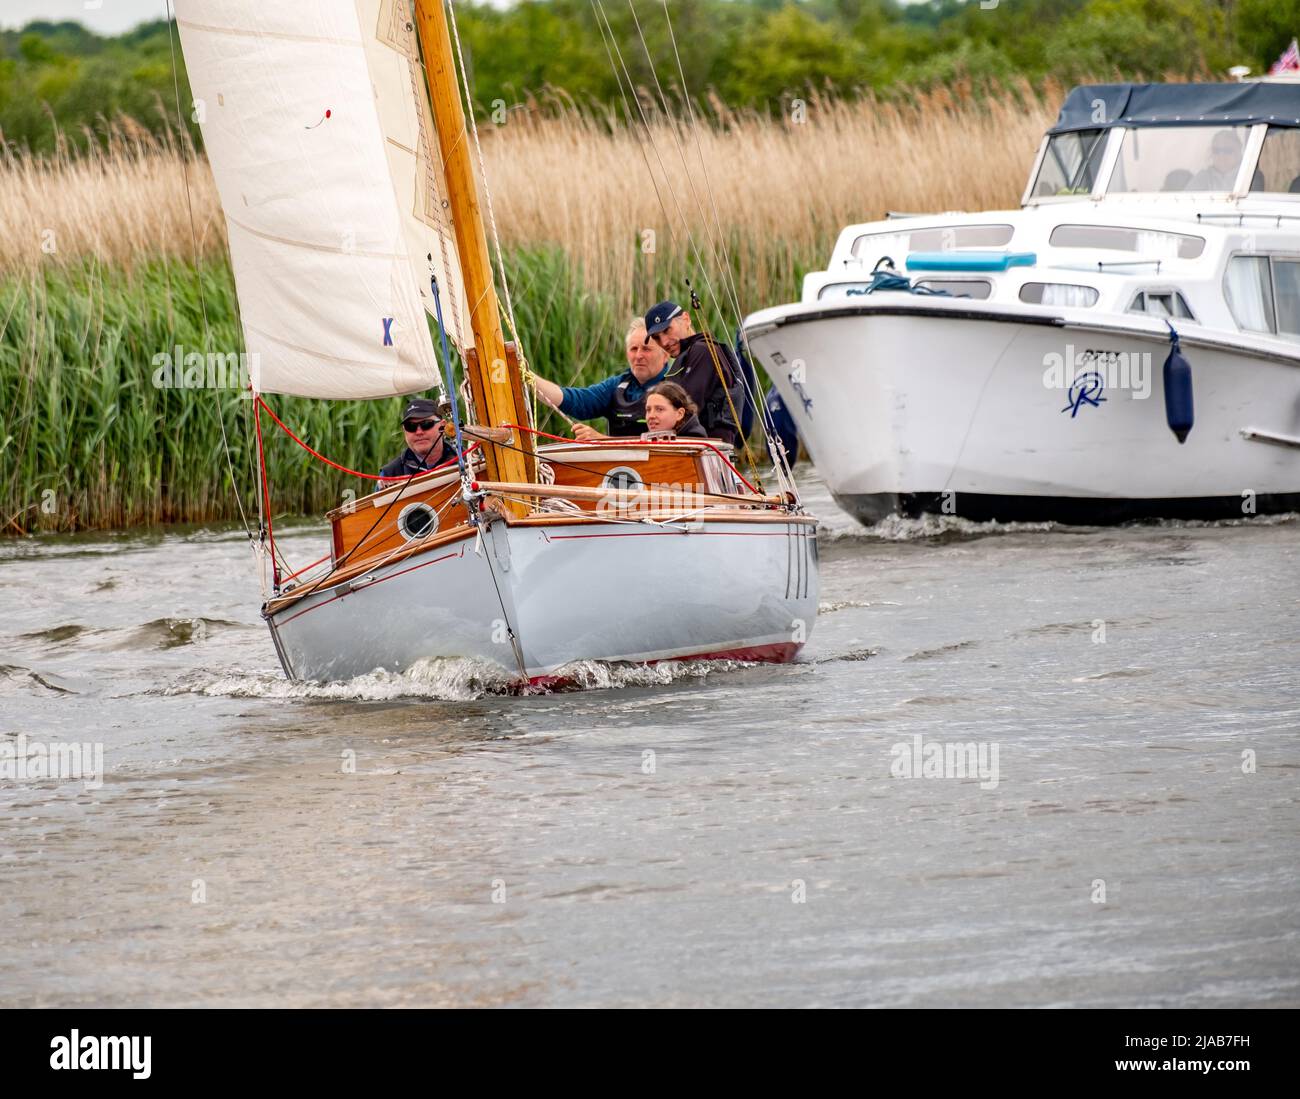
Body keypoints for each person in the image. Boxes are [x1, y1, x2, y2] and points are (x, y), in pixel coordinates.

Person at [530, 319, 670, 440]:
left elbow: (673, 443)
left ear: (665, 355)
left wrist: (602, 440)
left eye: (646, 349)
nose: (638, 355)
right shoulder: (616, 386)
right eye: (634, 349)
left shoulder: (678, 385)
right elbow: (576, 400)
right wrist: (528, 377)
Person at [643, 299, 743, 446]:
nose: (664, 342)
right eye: (656, 338)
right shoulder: (693, 353)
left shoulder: (702, 351)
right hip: (704, 451)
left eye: (667, 330)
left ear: (686, 319)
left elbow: (688, 408)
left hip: (707, 452)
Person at [377, 397, 462, 489]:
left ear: (443, 425)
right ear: (404, 431)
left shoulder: (466, 460)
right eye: (411, 426)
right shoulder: (389, 474)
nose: (419, 432)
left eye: (426, 424)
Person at [643, 382, 707, 438]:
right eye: (648, 410)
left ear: (680, 414)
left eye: (659, 409)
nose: (651, 416)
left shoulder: (695, 442)